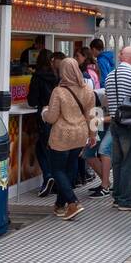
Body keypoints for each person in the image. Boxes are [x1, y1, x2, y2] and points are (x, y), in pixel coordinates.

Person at [42, 58, 95, 221]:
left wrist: (44, 112)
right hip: (80, 134)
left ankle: (73, 203)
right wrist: (93, 135)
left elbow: (51, 118)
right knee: (70, 167)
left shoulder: (59, 91)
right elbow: (93, 114)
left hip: (62, 136)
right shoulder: (87, 90)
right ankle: (60, 205)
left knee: (57, 169)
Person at [104, 46, 131, 210]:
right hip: (130, 124)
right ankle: (127, 199)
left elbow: (108, 99)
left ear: (121, 57)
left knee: (117, 161)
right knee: (128, 161)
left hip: (114, 122)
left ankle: (117, 196)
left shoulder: (109, 76)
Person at [29, 49, 60, 198]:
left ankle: (48, 176)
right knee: (51, 148)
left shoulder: (37, 77)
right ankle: (54, 179)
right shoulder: (57, 76)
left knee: (41, 148)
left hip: (44, 116)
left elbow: (32, 100)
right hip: (57, 116)